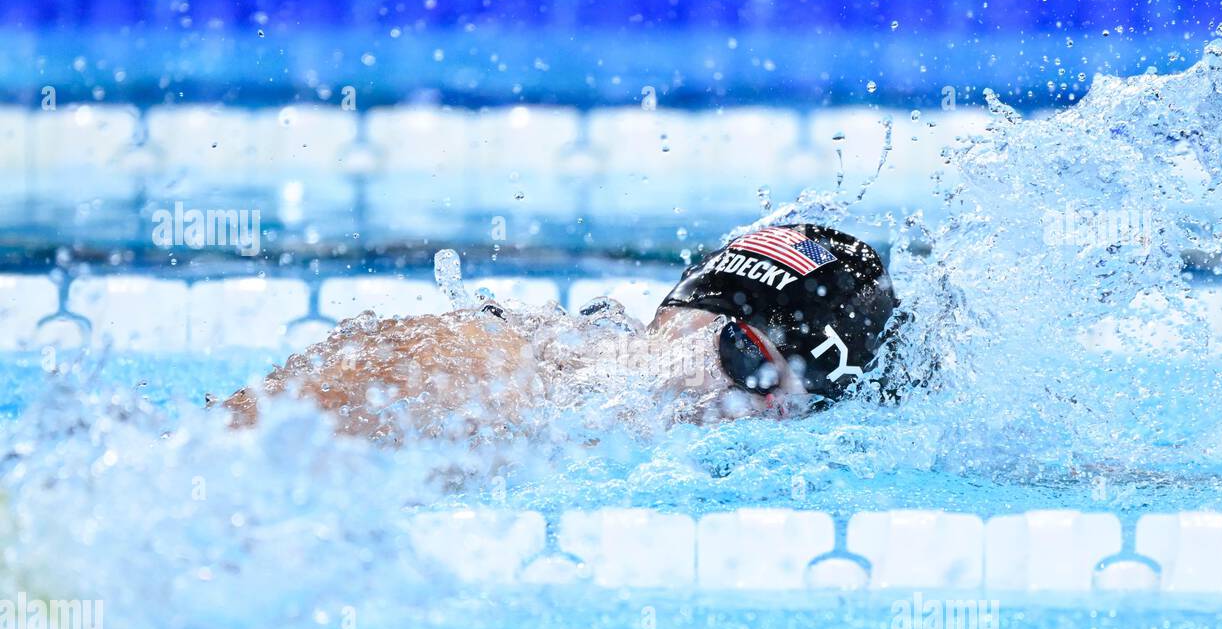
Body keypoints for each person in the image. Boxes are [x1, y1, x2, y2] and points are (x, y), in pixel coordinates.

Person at [221, 223, 906, 439]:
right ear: (678, 318)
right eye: (749, 364)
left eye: (792, 411)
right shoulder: (478, 366)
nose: (755, 413)